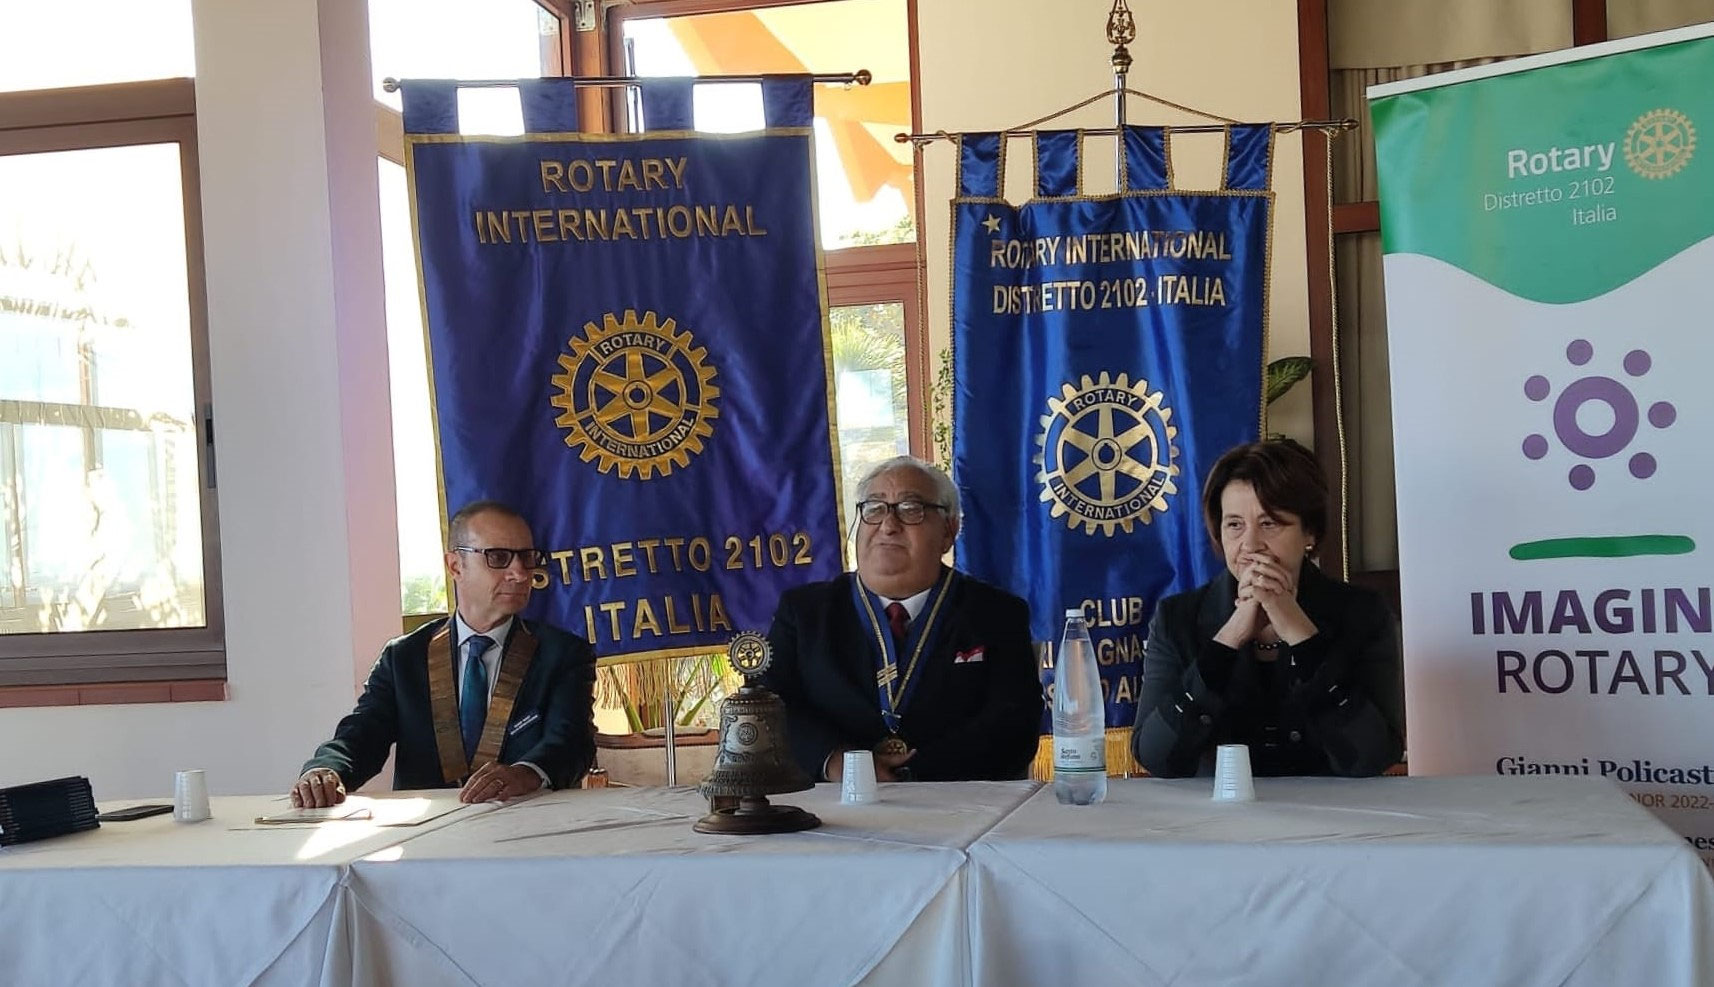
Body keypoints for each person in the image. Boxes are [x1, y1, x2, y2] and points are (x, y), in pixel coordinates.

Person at [291, 501, 596, 807]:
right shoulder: (404, 657)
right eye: (499, 558)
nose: (519, 573)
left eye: (528, 558)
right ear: (455, 566)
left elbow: (571, 742)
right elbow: (362, 733)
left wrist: (525, 774)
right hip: (426, 836)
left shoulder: (563, 654)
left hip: (526, 828)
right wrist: (325, 770)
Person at [1131, 439, 1404, 778]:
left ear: (1310, 533)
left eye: (1269, 523)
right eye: (1234, 525)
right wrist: (1229, 638)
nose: (1249, 545)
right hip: (1214, 823)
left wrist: (1298, 632)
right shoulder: (1178, 619)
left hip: (1335, 821)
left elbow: (1374, 756)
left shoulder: (1363, 614)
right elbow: (1156, 757)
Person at [761, 455, 1043, 783]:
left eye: (911, 509)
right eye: (875, 508)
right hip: (831, 802)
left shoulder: (997, 613)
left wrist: (910, 774)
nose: (888, 525)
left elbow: (1014, 723)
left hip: (956, 802)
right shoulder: (805, 611)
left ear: (949, 530)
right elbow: (769, 708)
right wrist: (839, 763)